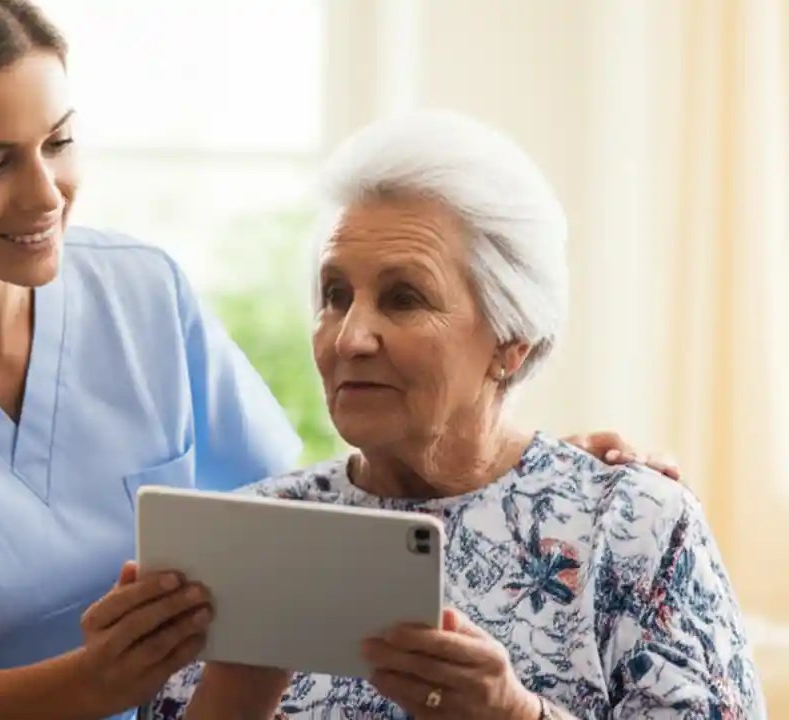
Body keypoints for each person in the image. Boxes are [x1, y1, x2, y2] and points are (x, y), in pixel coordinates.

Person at [0, 2, 680, 718]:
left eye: (58, 143)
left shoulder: (142, 293)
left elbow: (312, 501)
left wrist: (521, 457)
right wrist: (94, 682)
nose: (44, 193)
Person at [150, 110, 765, 719]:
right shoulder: (253, 539)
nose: (349, 338)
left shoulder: (633, 526)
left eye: (404, 298)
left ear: (511, 340)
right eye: (336, 296)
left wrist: (515, 715)